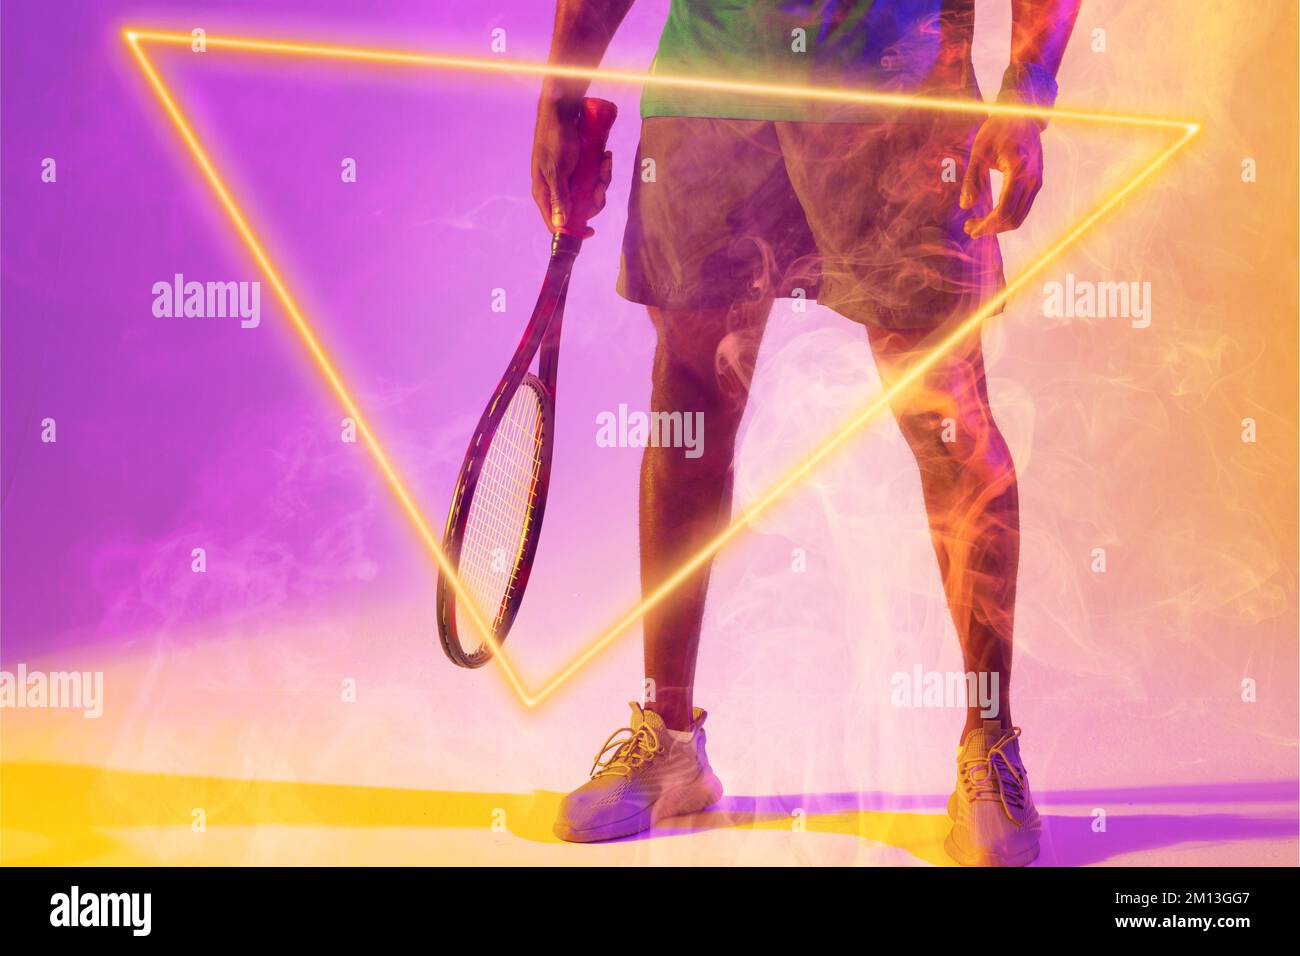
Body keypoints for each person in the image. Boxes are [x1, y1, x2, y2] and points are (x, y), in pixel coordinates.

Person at [530, 0, 1080, 866]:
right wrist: (561, 97)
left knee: (944, 417)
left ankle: (990, 746)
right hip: (711, 87)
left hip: (899, 94)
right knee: (687, 403)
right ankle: (670, 744)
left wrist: (1028, 87)